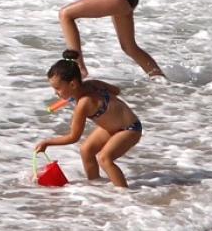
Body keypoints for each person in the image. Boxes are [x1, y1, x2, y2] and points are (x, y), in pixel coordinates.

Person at [36, 54, 143, 189]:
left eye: (57, 88)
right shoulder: (93, 84)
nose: (55, 93)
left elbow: (73, 137)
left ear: (73, 84)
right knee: (86, 150)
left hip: (130, 129)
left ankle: (124, 193)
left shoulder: (83, 104)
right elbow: (116, 91)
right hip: (113, 127)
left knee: (104, 158)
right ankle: (95, 186)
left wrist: (47, 142)